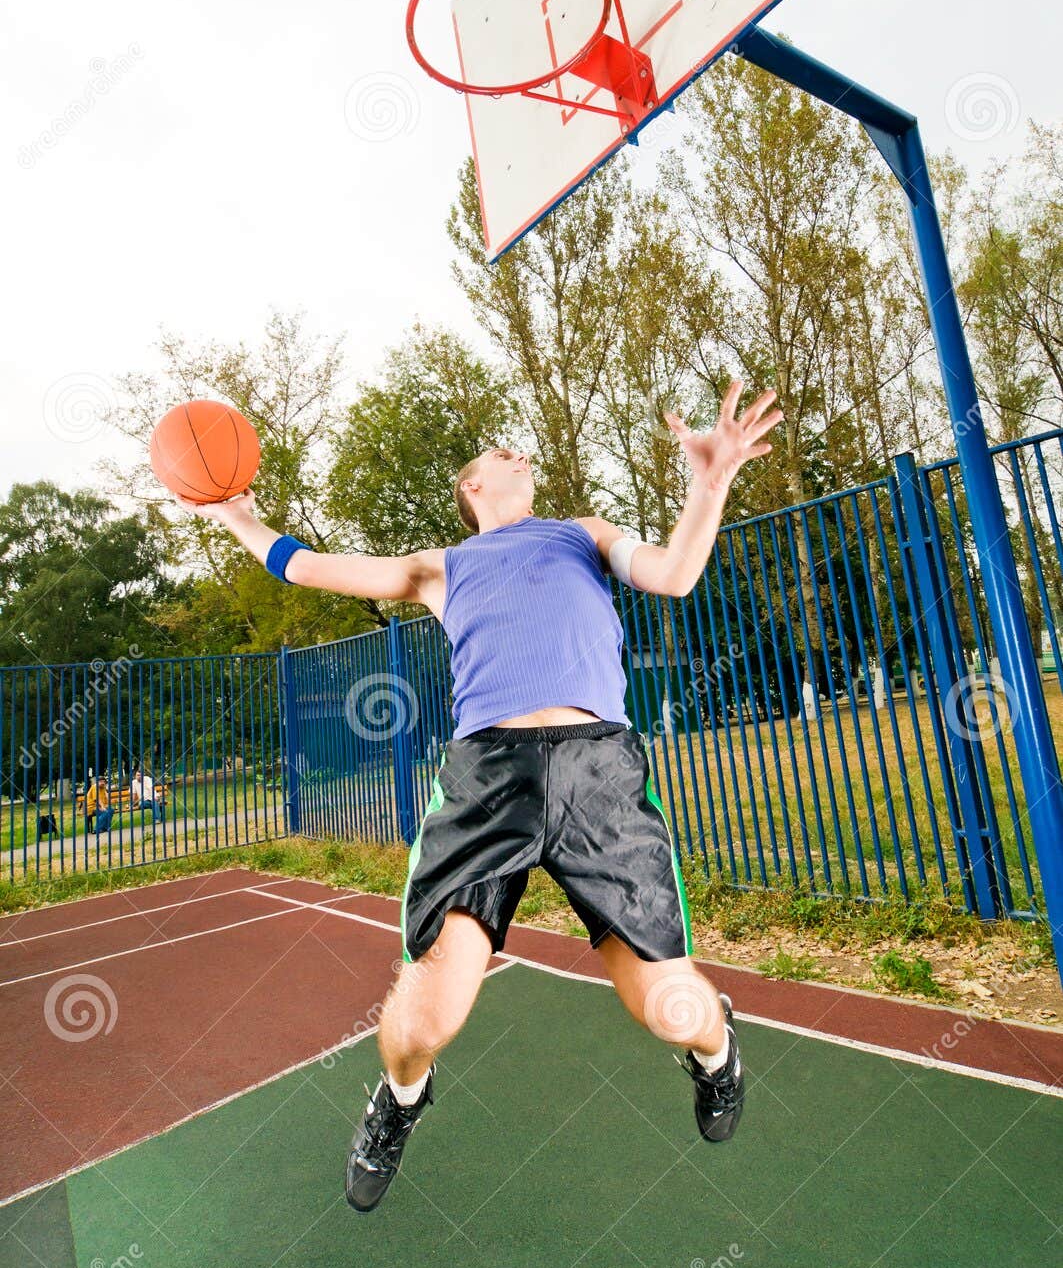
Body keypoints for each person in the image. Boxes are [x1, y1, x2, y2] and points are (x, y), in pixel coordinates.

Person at [176, 379, 783, 1212]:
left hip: (596, 770)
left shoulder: (584, 534)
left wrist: (708, 485)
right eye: (504, 451)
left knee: (675, 1011)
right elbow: (304, 565)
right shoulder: (439, 567)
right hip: (486, 775)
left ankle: (717, 1058)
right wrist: (236, 514)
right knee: (424, 1019)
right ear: (471, 486)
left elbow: (674, 574)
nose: (521, 452)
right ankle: (399, 1100)